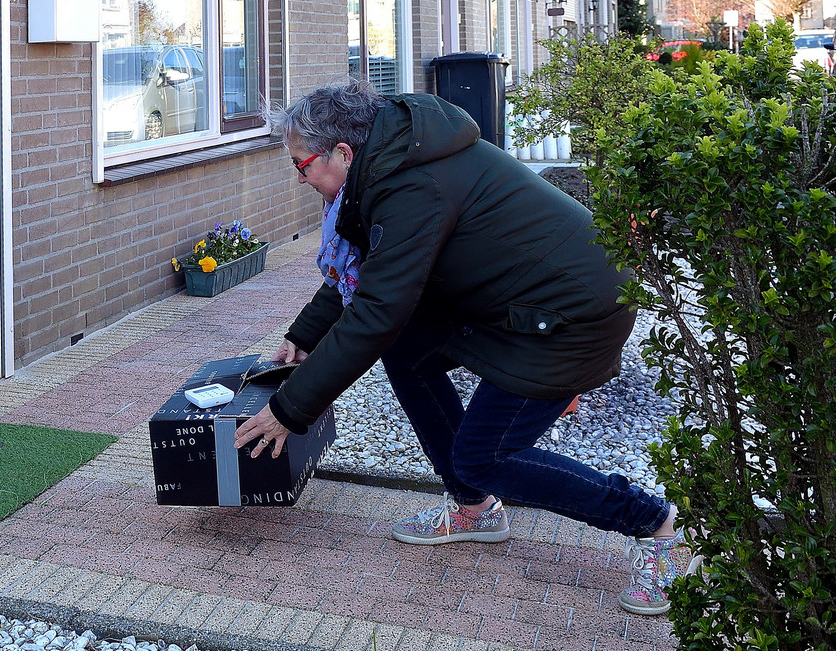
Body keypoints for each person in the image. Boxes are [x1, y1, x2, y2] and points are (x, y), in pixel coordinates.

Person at [232, 80, 702, 616]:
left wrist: (290, 409)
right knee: (408, 352)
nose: (300, 178)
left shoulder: (411, 185)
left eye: (302, 164)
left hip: (569, 315)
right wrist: (306, 333)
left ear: (343, 152)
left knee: (487, 456)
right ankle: (475, 511)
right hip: (516, 304)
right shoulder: (385, 167)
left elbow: (379, 309)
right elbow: (370, 271)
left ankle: (661, 525)